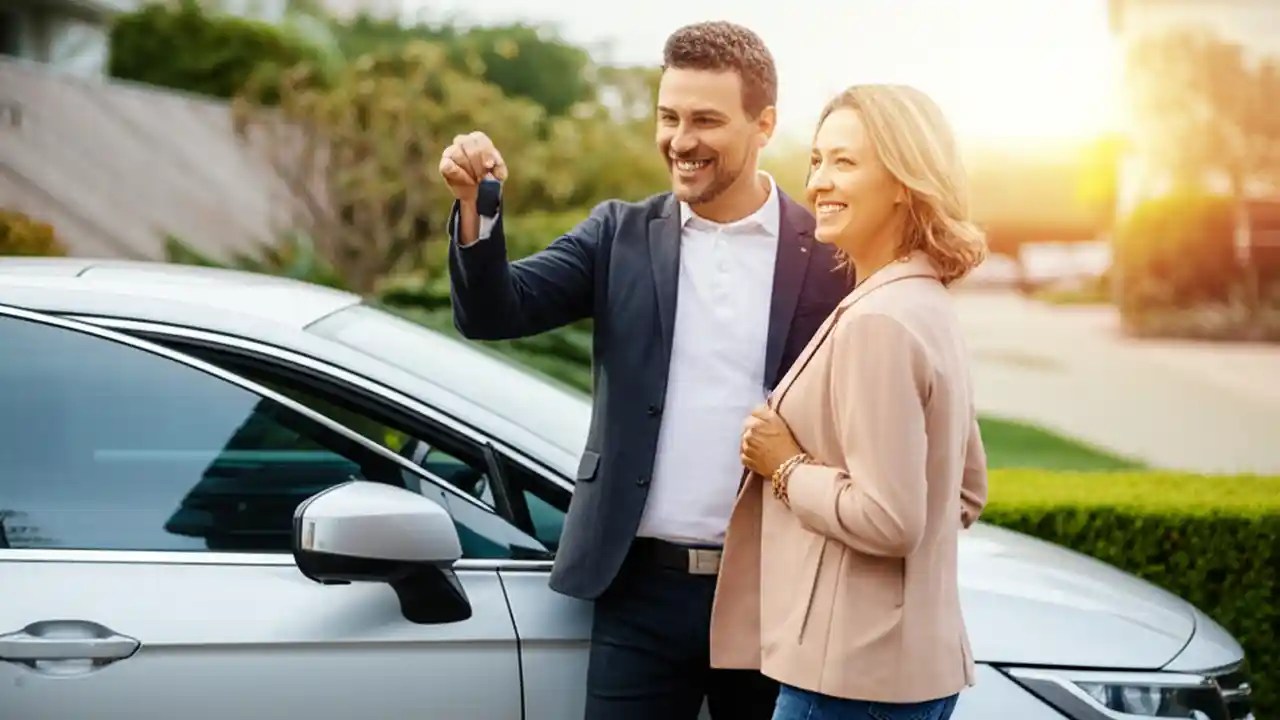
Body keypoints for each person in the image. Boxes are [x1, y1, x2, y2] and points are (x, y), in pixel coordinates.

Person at [436, 20, 854, 720]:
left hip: (776, 591)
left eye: (706, 120)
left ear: (765, 124)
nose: (680, 140)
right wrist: (477, 209)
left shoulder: (828, 253)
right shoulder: (618, 235)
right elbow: (495, 311)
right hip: (639, 595)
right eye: (669, 117)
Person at [708, 84, 990, 720]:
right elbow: (965, 492)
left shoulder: (879, 322)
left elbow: (891, 520)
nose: (818, 182)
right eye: (816, 159)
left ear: (902, 181)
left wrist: (785, 467)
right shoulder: (925, 302)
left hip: (848, 682)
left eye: (845, 162)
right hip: (908, 671)